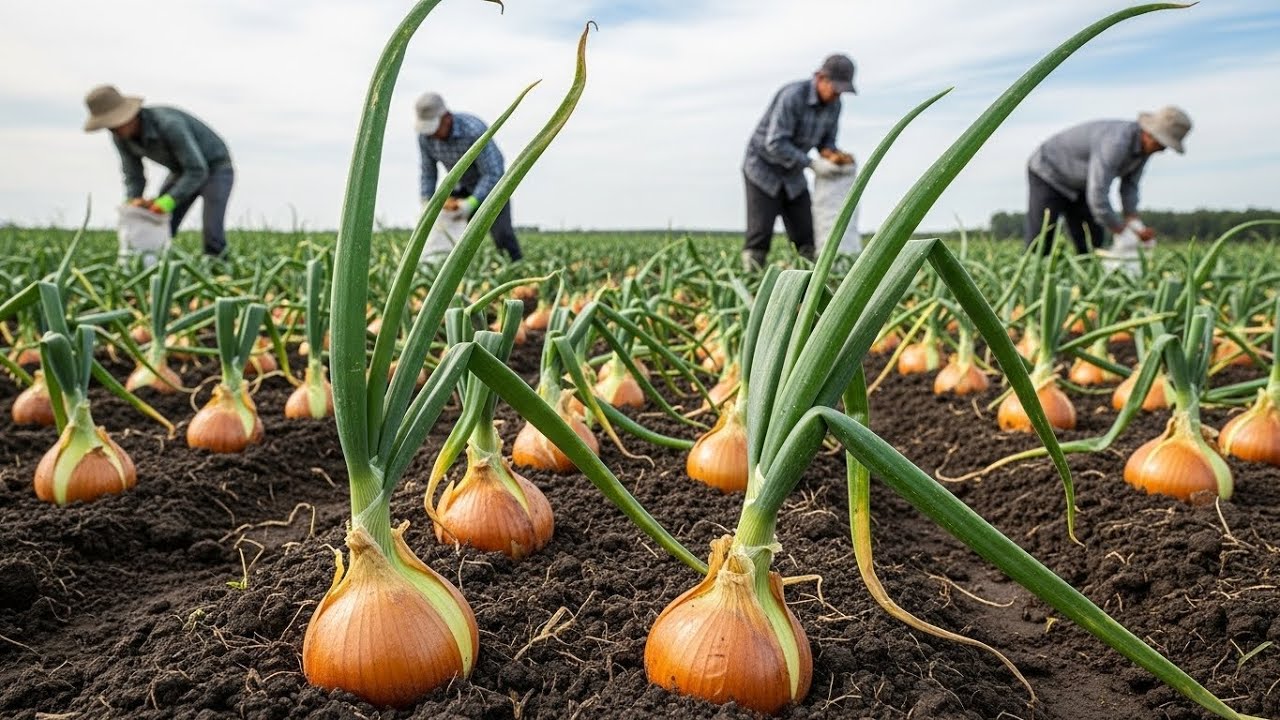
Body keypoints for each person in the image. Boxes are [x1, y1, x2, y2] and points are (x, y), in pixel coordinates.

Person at [83, 85, 234, 258]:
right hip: (181, 171)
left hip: (216, 168)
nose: (114, 131)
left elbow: (197, 170)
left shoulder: (168, 124)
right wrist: (134, 200)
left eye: (116, 125)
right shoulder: (120, 137)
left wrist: (169, 201)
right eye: (110, 127)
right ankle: (156, 267)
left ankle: (218, 269)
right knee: (156, 222)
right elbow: (133, 175)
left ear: (129, 116)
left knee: (212, 230)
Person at [741, 54, 858, 271]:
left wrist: (834, 157)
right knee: (760, 233)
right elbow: (775, 143)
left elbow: (827, 141)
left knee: (805, 233)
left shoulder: (834, 105)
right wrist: (812, 164)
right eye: (834, 87)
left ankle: (809, 284)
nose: (837, 94)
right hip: (762, 170)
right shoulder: (793, 96)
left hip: (793, 174)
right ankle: (752, 280)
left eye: (841, 90)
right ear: (821, 78)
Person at [1025, 106, 1192, 255]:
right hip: (1049, 172)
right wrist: (1120, 229)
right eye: (1161, 144)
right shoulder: (1116, 143)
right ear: (1150, 134)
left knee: (1092, 239)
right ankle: (1032, 279)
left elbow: (1130, 186)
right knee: (1043, 237)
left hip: (1081, 183)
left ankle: (1085, 282)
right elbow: (1098, 191)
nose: (1162, 150)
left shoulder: (1143, 151)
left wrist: (1133, 221)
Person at [415, 92, 522, 262]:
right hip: (461, 187)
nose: (432, 134)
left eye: (434, 128)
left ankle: (519, 275)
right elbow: (428, 172)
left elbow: (493, 172)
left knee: (503, 235)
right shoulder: (425, 138)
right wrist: (426, 202)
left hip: (492, 187)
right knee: (446, 234)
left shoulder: (473, 130)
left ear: (446, 117)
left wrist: (472, 203)